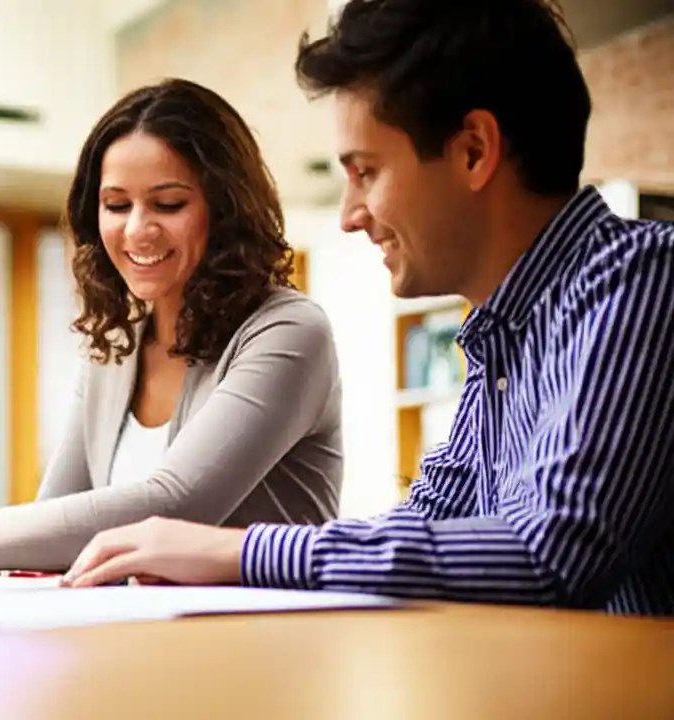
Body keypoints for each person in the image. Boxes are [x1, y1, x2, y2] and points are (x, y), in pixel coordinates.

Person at [61, 0, 674, 617]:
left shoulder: (642, 281)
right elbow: (428, 519)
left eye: (367, 173)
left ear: (473, 152)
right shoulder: (503, 333)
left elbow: (549, 553)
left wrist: (238, 552)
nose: (350, 215)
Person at [0, 79, 343, 576]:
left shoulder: (289, 331)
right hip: (141, 641)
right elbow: (58, 512)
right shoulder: (115, 347)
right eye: (117, 205)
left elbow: (174, 504)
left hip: (268, 642)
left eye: (168, 204)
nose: (138, 229)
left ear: (226, 210)